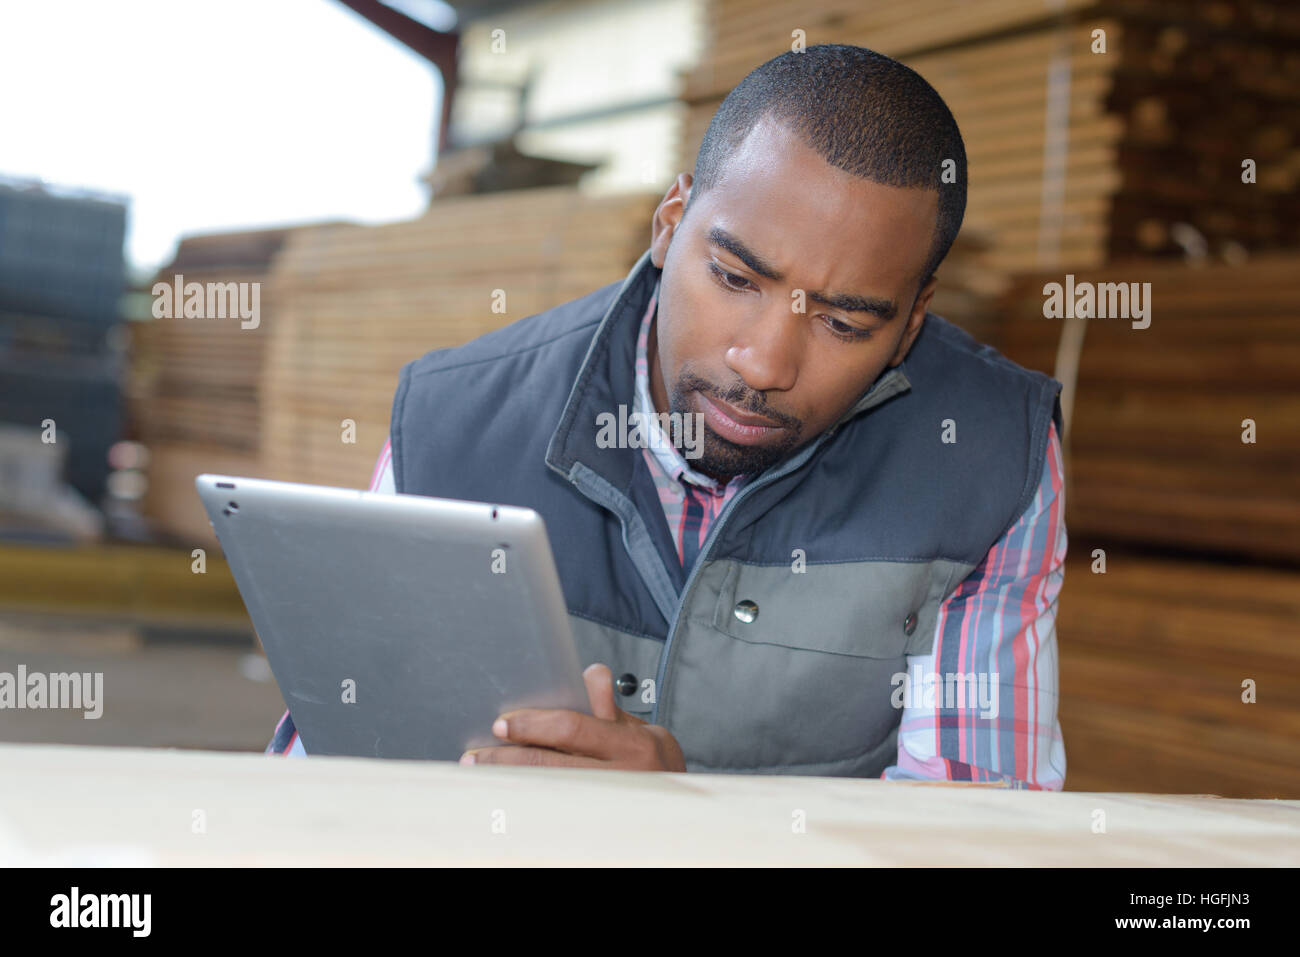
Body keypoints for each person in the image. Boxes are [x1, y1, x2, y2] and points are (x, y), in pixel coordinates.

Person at [268, 43, 1067, 788]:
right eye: (733, 277)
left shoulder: (992, 459)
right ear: (668, 223)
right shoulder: (453, 426)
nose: (764, 364)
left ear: (912, 322)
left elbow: (981, 836)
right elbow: (332, 787)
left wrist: (695, 824)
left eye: (843, 323)